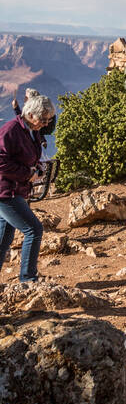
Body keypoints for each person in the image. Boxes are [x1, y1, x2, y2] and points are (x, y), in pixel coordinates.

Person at [0, 89, 56, 287]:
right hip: (6, 191)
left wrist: (37, 167)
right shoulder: (10, 131)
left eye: (49, 119)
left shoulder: (31, 131)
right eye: (43, 119)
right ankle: (28, 280)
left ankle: (26, 279)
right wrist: (27, 174)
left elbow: (30, 156)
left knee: (4, 237)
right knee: (33, 229)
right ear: (30, 114)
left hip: (16, 189)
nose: (46, 123)